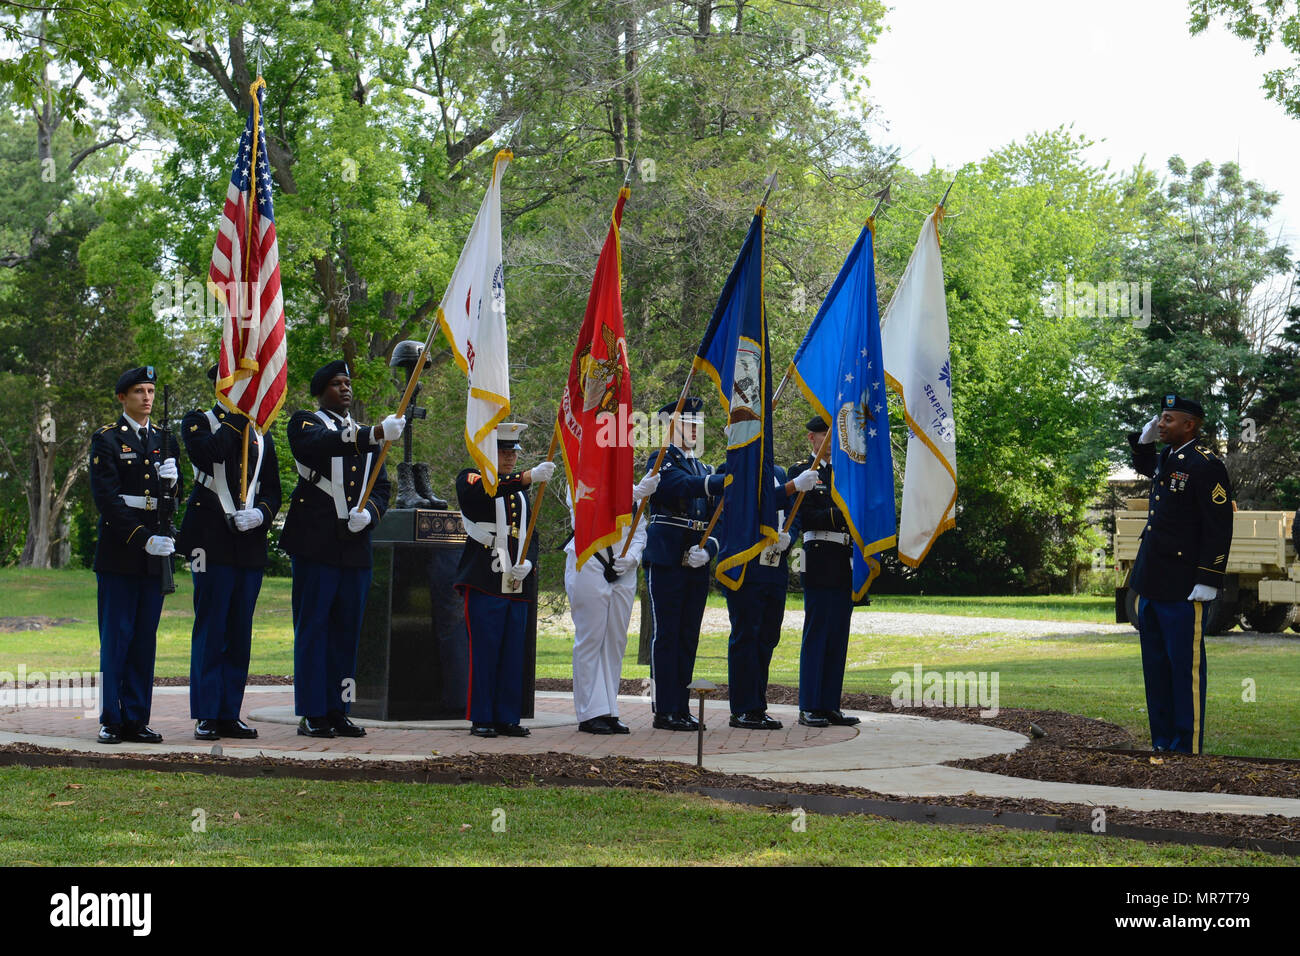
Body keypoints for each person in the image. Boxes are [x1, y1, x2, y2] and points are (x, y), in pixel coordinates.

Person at [279, 360, 398, 739]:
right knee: (314, 628)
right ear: (321, 390)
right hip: (316, 543)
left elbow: (381, 486)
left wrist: (372, 514)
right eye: (335, 383)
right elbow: (317, 447)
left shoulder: (362, 433)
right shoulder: (306, 422)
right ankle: (313, 712)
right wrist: (375, 433)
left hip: (355, 547)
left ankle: (338, 709)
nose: (345, 389)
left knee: (348, 632)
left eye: (347, 383)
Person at [176, 365, 282, 741]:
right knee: (211, 626)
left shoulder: (261, 434)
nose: (246, 390)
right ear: (222, 387)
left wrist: (261, 514)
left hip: (247, 542)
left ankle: (228, 712)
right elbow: (210, 456)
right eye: (238, 383)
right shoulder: (198, 421)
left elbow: (273, 489)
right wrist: (236, 417)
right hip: (209, 539)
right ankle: (206, 712)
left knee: (239, 630)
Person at [1127, 394, 1234, 754]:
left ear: (1190, 425)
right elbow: (1150, 471)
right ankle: (1162, 743)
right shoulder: (1169, 457)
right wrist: (1142, 443)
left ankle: (1186, 749)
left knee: (1183, 672)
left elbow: (1219, 526)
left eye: (1168, 419)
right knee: (1156, 670)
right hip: (1151, 582)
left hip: (1183, 586)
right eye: (1161, 417)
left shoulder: (1206, 465)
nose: (1161, 424)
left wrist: (1209, 577)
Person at [88, 365, 180, 744]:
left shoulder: (164, 438)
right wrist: (143, 537)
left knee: (144, 640)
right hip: (121, 553)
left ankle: (137, 718)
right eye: (139, 391)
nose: (147, 397)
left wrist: (173, 486)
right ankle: (111, 718)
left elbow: (171, 500)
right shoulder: (107, 440)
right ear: (123, 397)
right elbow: (106, 500)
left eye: (151, 391)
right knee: (117, 639)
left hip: (153, 555)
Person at [454, 423, 551, 738]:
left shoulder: (520, 493)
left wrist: (530, 560)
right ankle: (482, 716)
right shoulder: (471, 476)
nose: (510, 457)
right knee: (485, 650)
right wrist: (526, 477)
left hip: (516, 581)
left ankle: (507, 716)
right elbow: (485, 489)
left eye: (513, 452)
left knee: (512, 652)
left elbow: (532, 531)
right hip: (485, 575)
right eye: (503, 451)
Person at [642, 397, 725, 731]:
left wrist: (710, 548)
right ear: (670, 426)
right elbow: (680, 486)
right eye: (688, 424)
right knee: (667, 634)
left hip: (696, 558)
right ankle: (664, 709)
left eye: (696, 425)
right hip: (667, 556)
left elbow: (719, 516)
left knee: (688, 634)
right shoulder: (660, 459)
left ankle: (681, 705)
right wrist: (724, 479)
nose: (694, 430)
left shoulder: (704, 468)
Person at [721, 463, 816, 729]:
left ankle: (757, 706)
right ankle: (742, 708)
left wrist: (790, 535)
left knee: (767, 636)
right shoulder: (735, 465)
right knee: (746, 635)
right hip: (747, 563)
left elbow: (793, 513)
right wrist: (793, 486)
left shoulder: (779, 471)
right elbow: (750, 505)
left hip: (775, 564)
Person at [564, 470, 659, 734]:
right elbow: (585, 513)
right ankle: (589, 711)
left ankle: (608, 708)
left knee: (615, 640)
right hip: (589, 561)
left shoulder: (631, 488)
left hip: (623, 568)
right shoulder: (579, 480)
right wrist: (635, 494)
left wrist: (634, 556)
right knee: (591, 637)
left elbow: (640, 530)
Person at [788, 417, 861, 728]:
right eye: (823, 434)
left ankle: (830, 704)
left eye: (833, 434)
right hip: (817, 557)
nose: (829, 440)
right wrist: (838, 514)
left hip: (844, 559)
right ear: (811, 438)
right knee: (817, 634)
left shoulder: (847, 472)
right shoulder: (801, 473)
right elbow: (804, 517)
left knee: (838, 637)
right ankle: (809, 705)